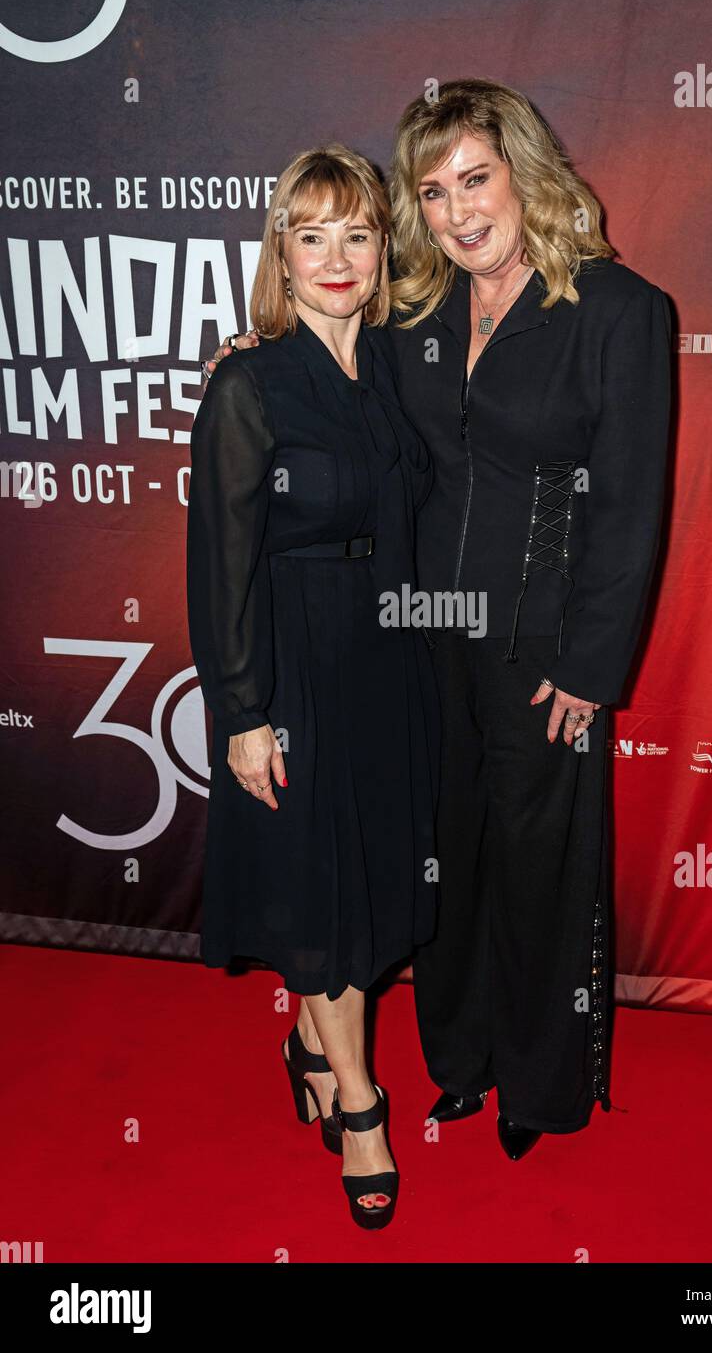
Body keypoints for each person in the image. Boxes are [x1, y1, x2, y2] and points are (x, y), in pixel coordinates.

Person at [206, 78, 672, 1162]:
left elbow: (634, 505)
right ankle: (459, 1063)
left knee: (536, 864)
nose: (461, 212)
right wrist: (243, 362)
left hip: (546, 647)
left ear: (523, 173)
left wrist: (593, 667)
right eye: (435, 191)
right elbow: (315, 384)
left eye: (477, 180)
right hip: (417, 641)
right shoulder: (412, 312)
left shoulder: (617, 309)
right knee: (445, 862)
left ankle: (538, 1085)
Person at [187, 145, 439, 1227]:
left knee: (374, 881)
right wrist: (242, 712)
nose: (336, 258)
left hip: (390, 657)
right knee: (328, 895)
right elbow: (219, 561)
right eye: (310, 235)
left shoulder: (396, 358)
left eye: (357, 234)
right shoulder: (249, 379)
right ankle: (361, 1104)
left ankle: (304, 1037)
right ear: (279, 256)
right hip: (292, 660)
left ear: (383, 251)